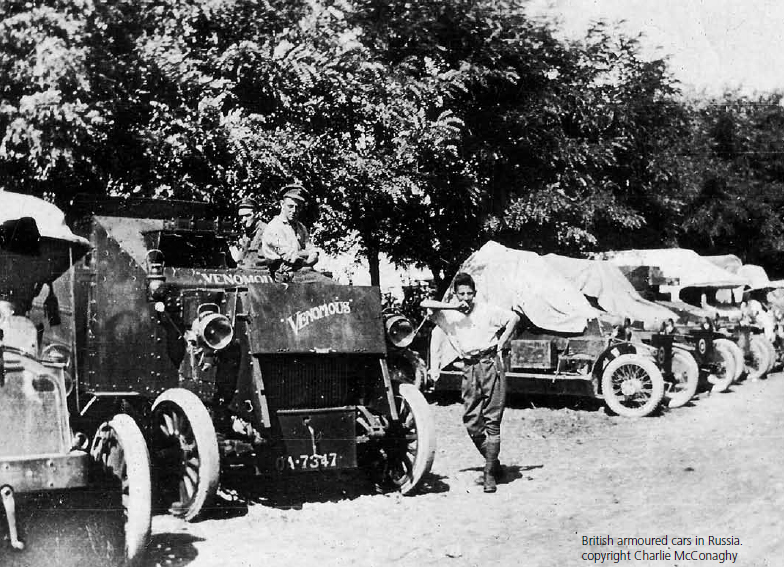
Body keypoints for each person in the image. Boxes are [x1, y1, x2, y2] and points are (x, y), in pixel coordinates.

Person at [421, 272, 520, 493]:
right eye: (461, 294)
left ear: (475, 293)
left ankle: (488, 474)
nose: (466, 298)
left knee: (492, 420)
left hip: (490, 363)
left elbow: (513, 318)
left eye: (469, 293)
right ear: (455, 295)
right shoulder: (448, 316)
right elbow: (424, 304)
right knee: (472, 421)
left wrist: (503, 341)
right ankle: (494, 463)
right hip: (469, 368)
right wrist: (453, 308)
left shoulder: (486, 310)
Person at [261, 184, 323, 283]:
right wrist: (307, 256)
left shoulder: (300, 227)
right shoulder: (274, 227)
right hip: (281, 275)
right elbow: (289, 256)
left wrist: (312, 255)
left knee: (332, 286)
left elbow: (312, 250)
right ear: (282, 204)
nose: (294, 211)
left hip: (301, 273)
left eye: (297, 207)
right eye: (290, 206)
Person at [232, 197, 266, 269]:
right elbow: (241, 259)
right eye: (241, 217)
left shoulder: (266, 231)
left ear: (256, 214)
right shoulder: (247, 234)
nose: (243, 220)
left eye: (248, 215)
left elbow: (269, 261)